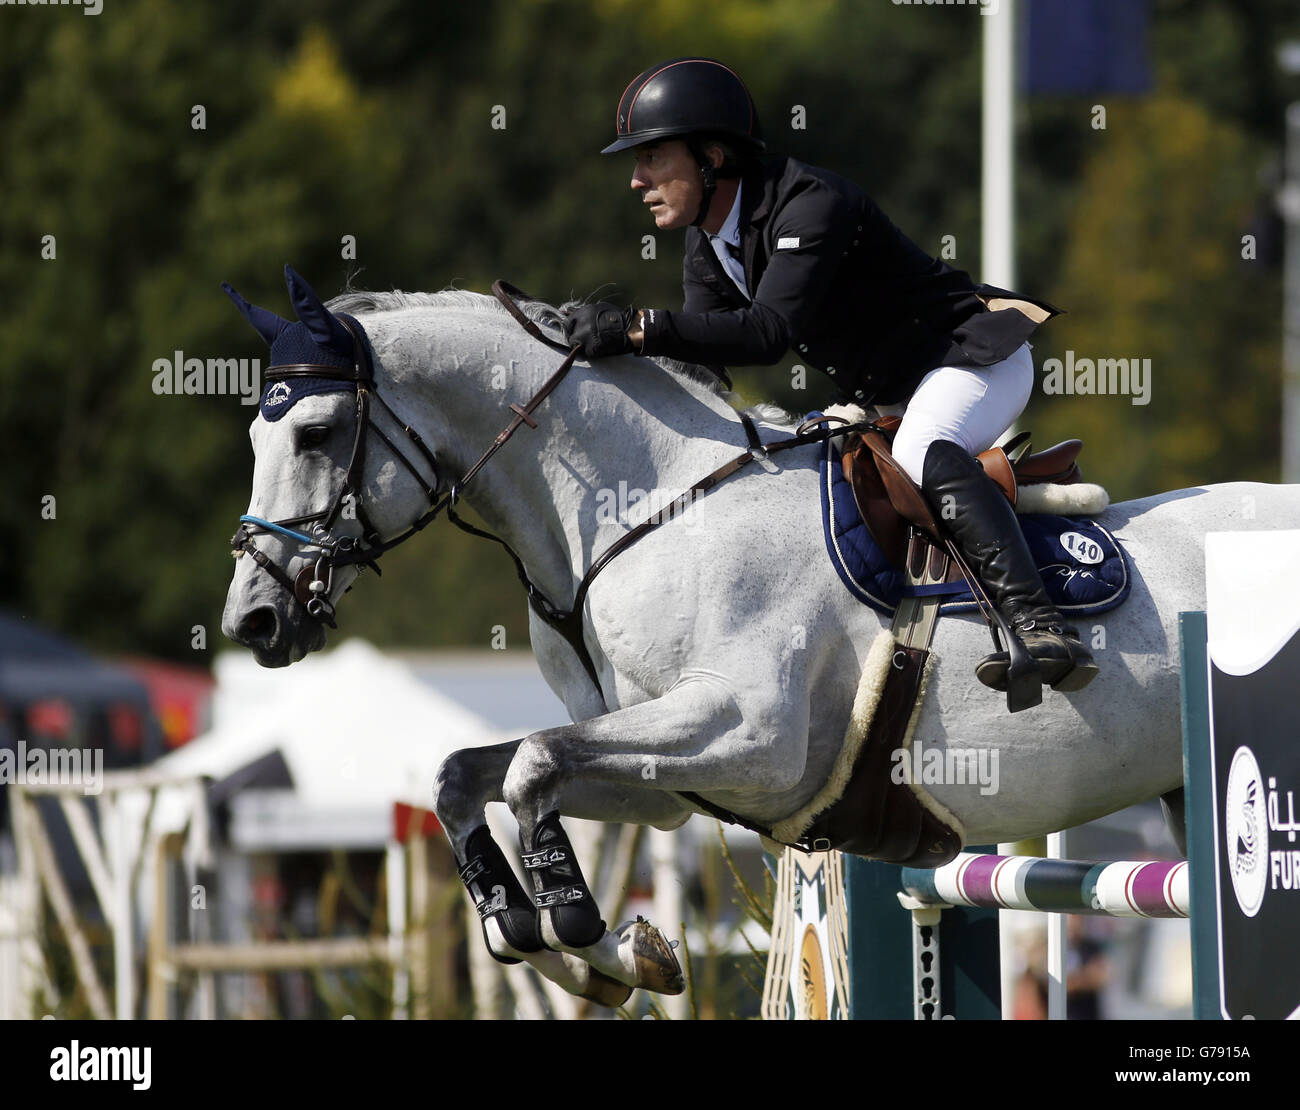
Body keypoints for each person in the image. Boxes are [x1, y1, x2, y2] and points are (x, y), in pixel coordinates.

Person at [562, 57, 1096, 697]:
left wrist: (638, 325)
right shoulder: (709, 243)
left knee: (922, 452)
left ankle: (1041, 626)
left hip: (972, 357)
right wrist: (602, 362)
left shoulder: (811, 204)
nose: (636, 179)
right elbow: (701, 368)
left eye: (651, 157)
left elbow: (766, 333)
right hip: (892, 392)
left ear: (711, 155)